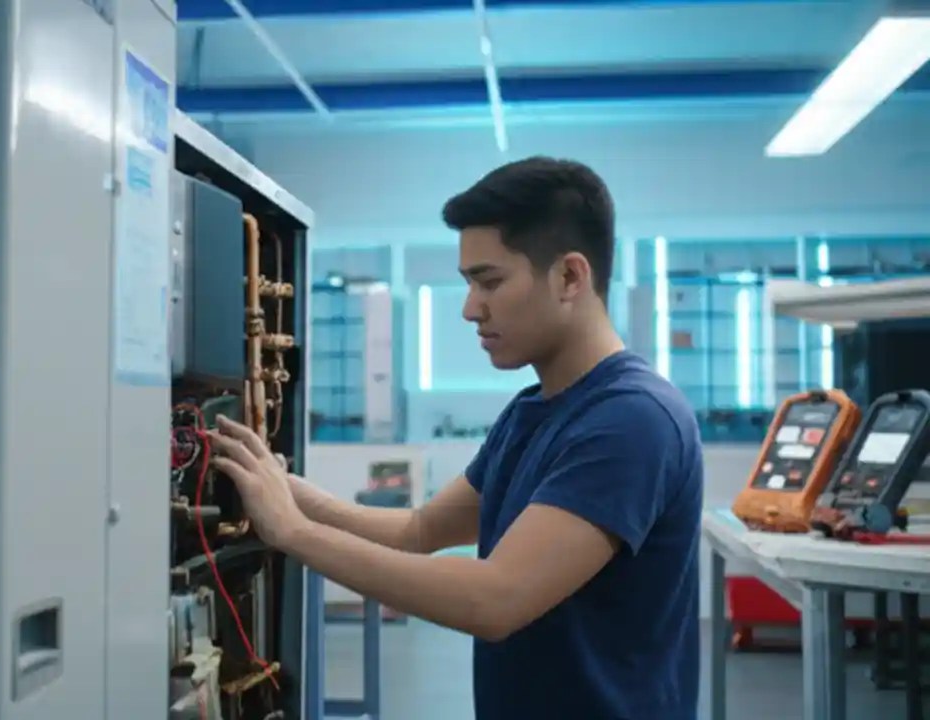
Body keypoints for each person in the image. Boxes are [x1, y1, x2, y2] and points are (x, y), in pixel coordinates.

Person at [209, 156, 703, 720]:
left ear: (570, 277)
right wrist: (286, 490)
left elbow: (496, 598)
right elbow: (419, 530)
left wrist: (293, 532)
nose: (471, 309)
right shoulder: (531, 412)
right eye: (468, 284)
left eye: (489, 281)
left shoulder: (632, 420)